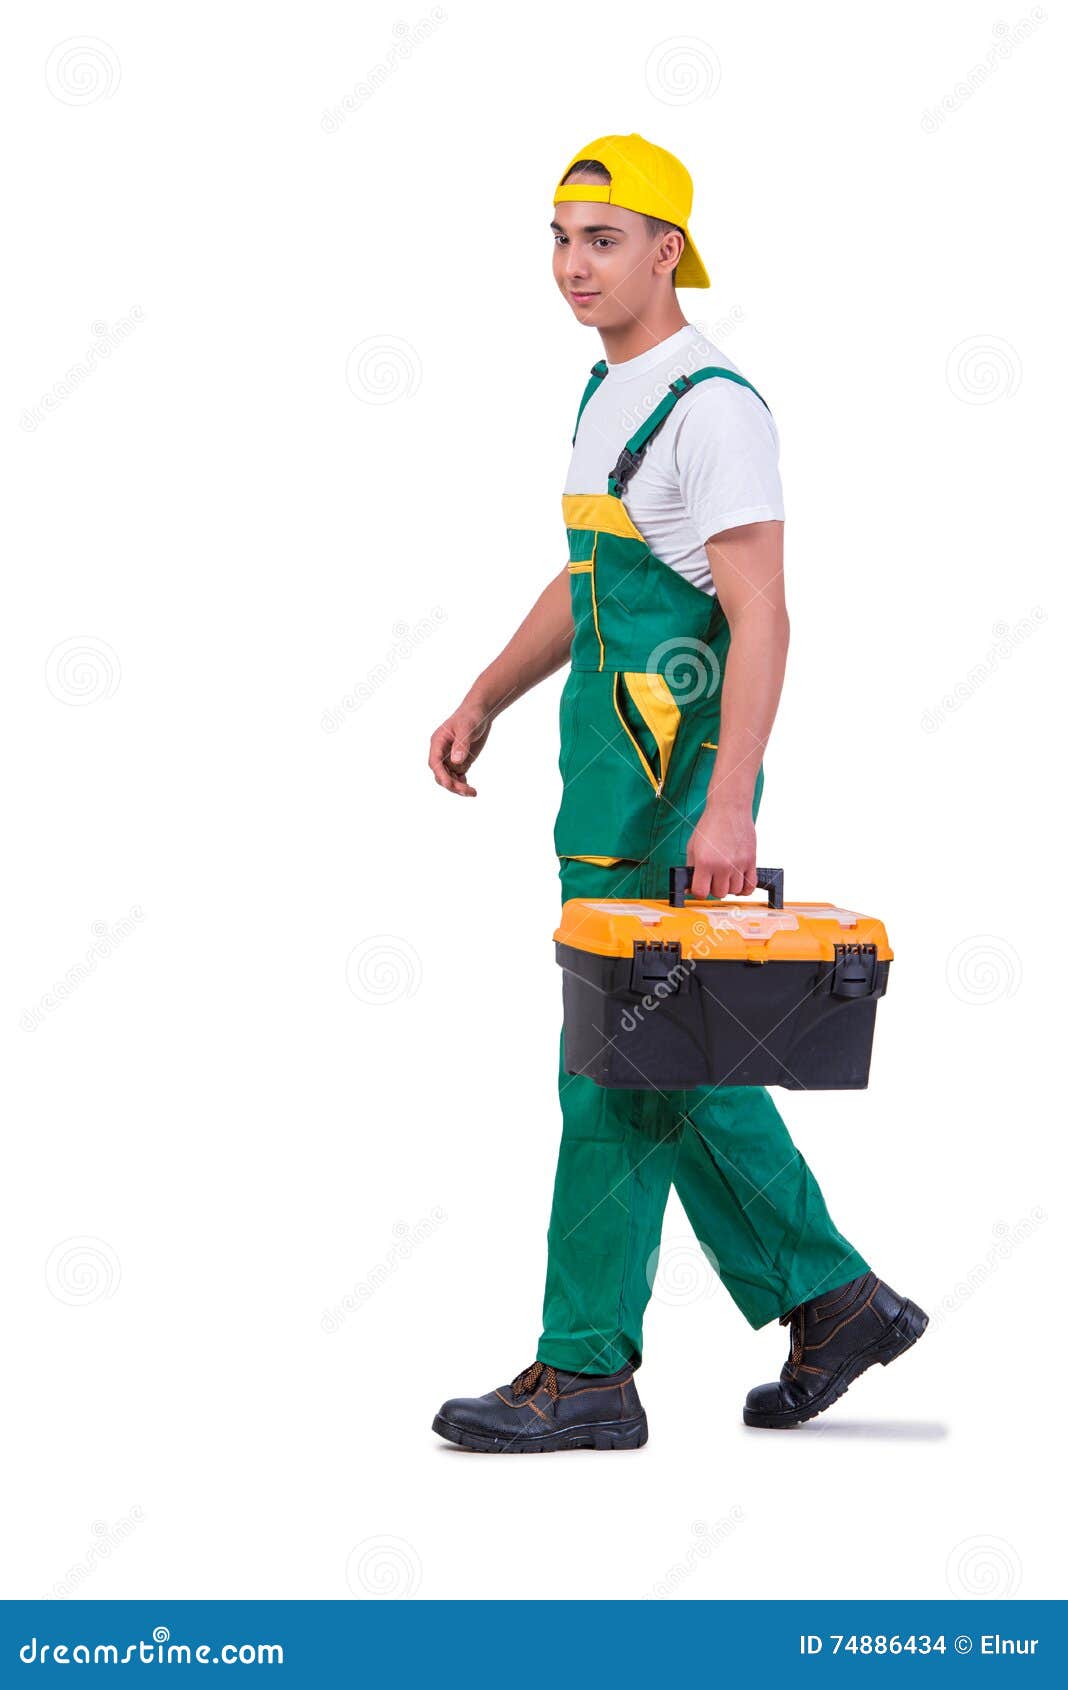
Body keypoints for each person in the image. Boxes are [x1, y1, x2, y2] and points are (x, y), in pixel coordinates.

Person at [427, 133, 926, 1453]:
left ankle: (585, 1368)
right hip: (600, 785)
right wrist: (486, 693)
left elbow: (762, 613)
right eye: (559, 238)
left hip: (664, 789)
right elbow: (588, 580)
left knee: (614, 1071)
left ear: (668, 249)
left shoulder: (714, 409)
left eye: (603, 240)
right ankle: (835, 1299)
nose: (573, 264)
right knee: (666, 1059)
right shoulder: (607, 395)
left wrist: (729, 805)